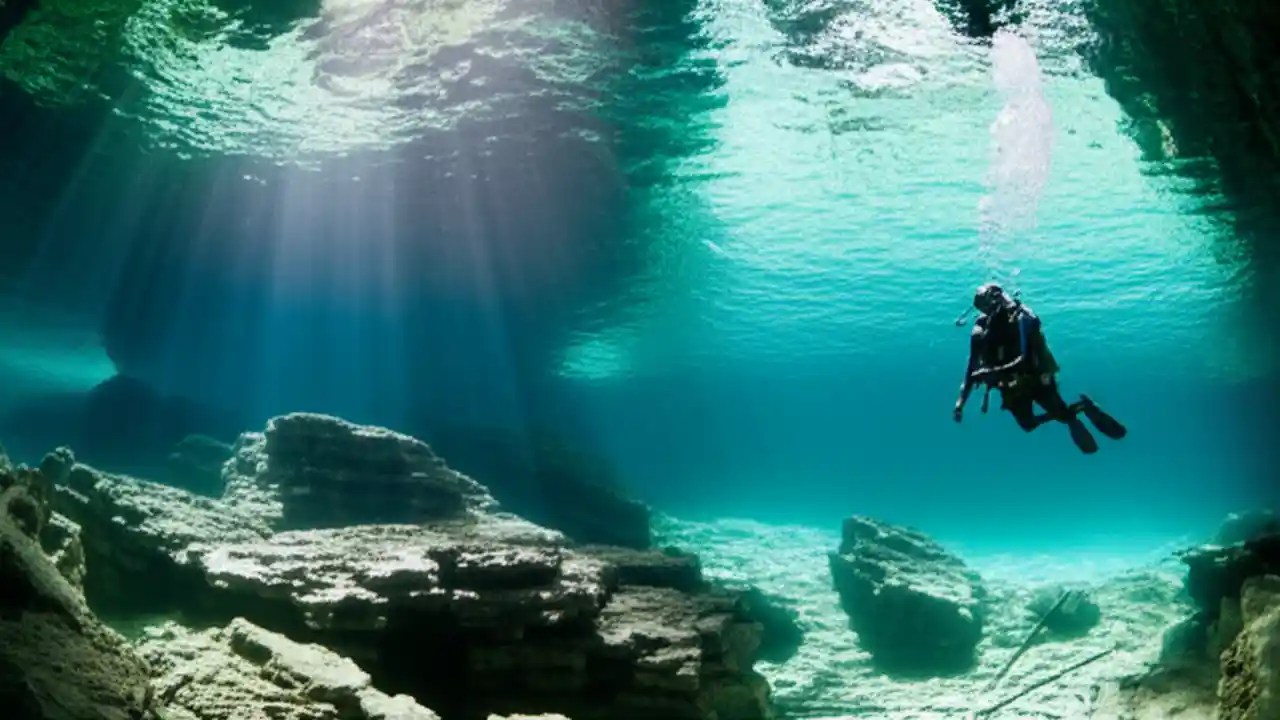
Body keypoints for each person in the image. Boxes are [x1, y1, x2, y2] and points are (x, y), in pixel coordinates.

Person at [952, 282, 1127, 454]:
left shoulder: (1022, 318)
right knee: (1028, 425)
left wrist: (992, 372)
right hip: (1010, 384)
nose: (986, 313)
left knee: (1059, 413)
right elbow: (971, 368)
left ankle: (1080, 409)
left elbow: (1023, 357)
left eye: (988, 307)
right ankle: (1074, 411)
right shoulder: (980, 330)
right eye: (982, 309)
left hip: (1037, 376)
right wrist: (960, 403)